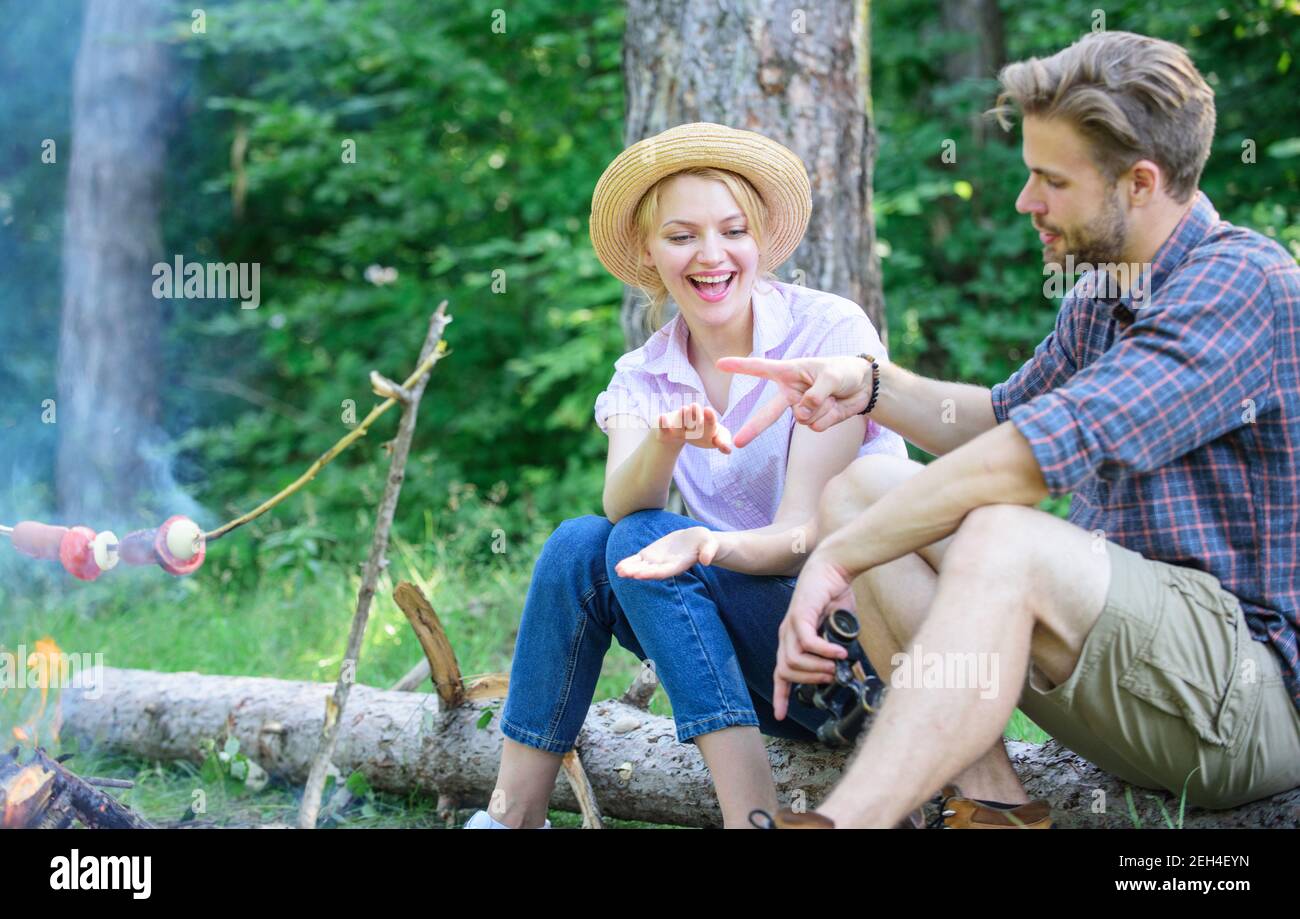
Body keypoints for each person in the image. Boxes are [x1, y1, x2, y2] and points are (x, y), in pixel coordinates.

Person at [728, 30, 1300, 829]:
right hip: (1126, 682)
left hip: (1245, 703)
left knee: (1005, 534)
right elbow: (996, 419)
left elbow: (1031, 456)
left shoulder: (1244, 284)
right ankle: (992, 809)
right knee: (862, 486)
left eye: (1051, 180)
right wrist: (869, 385)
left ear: (1140, 183)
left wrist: (835, 558)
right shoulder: (1101, 292)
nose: (1027, 202)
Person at [465, 122, 906, 828]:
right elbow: (623, 505)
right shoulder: (645, 372)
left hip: (854, 662)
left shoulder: (828, 334)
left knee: (639, 537)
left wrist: (704, 545)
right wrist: (666, 443)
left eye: (732, 231)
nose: (711, 256)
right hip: (764, 678)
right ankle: (512, 817)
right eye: (681, 237)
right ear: (648, 250)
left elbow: (802, 536)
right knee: (581, 544)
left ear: (759, 238)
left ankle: (750, 819)